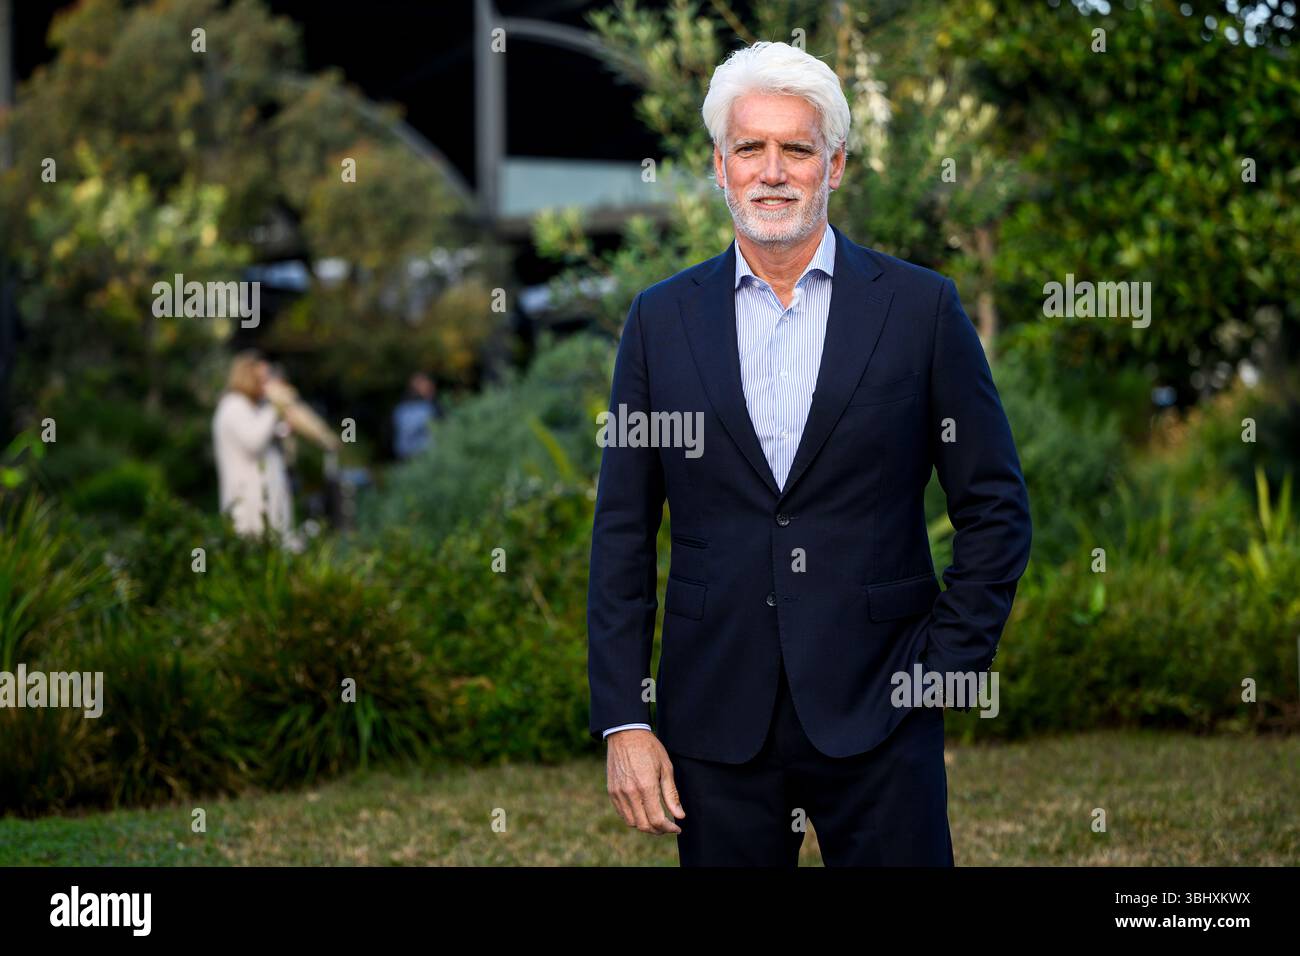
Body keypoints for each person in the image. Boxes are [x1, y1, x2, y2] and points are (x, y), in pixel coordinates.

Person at [587, 41, 1032, 866]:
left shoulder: (920, 309)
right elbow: (622, 531)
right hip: (715, 721)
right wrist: (625, 717)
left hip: (882, 711)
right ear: (720, 167)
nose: (773, 170)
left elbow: (996, 508)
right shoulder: (659, 321)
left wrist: (941, 670)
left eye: (798, 148)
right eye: (750, 148)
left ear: (835, 168)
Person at [212, 350, 293, 538]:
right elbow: (254, 441)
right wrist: (275, 406)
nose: (267, 386)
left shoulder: (253, 407)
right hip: (248, 507)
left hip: (264, 508)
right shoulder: (233, 406)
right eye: (263, 379)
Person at [392, 372, 440, 459]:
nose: (431, 389)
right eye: (427, 387)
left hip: (409, 455)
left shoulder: (401, 408)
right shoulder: (421, 408)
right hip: (419, 455)